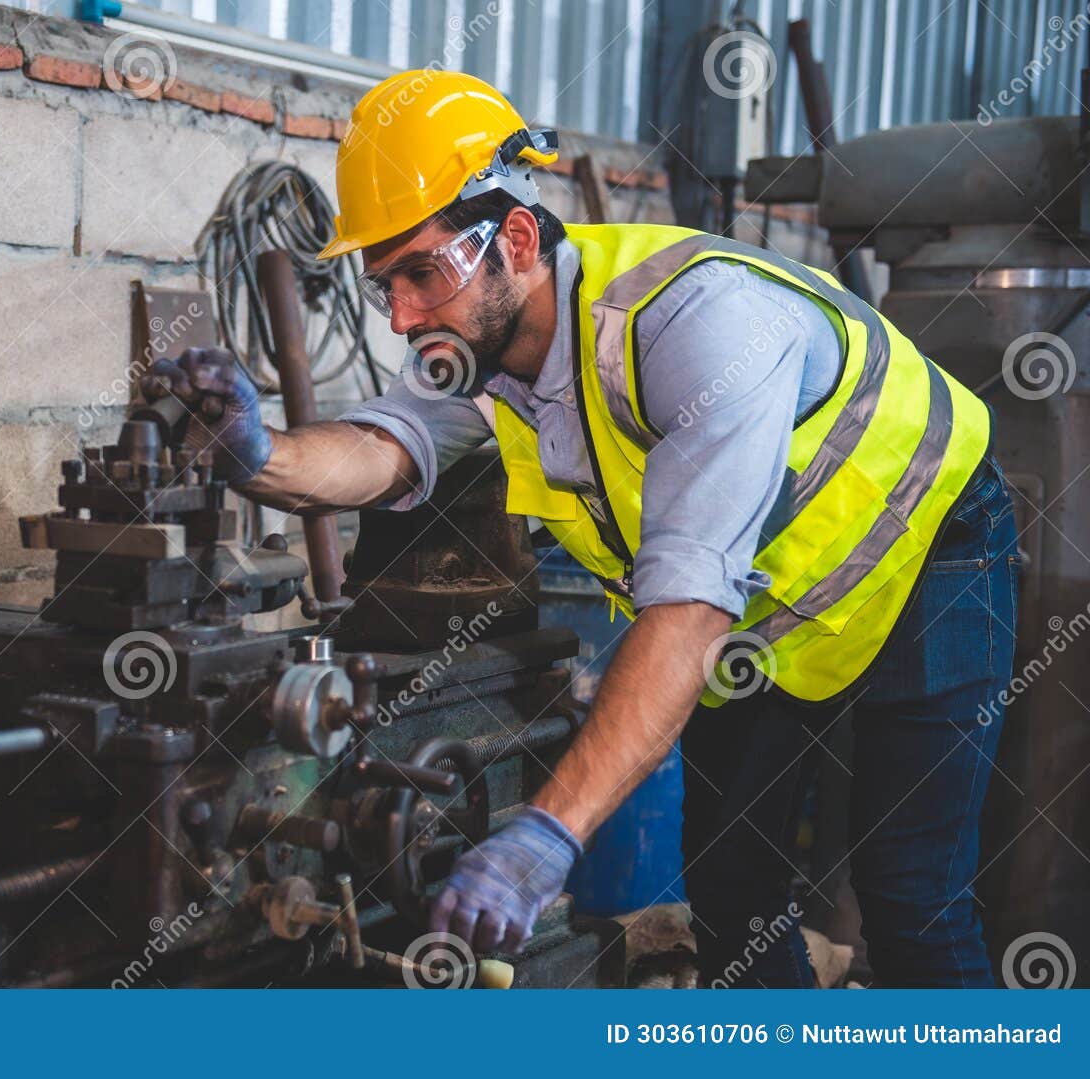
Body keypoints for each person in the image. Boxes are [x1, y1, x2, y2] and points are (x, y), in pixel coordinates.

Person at [148, 70, 1018, 987]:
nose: (403, 316)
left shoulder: (698, 324)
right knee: (731, 889)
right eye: (384, 286)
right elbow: (382, 450)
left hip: (933, 548)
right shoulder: (484, 353)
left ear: (515, 239)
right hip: (770, 610)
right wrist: (257, 452)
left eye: (422, 272)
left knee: (910, 896)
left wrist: (548, 833)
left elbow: (685, 612)